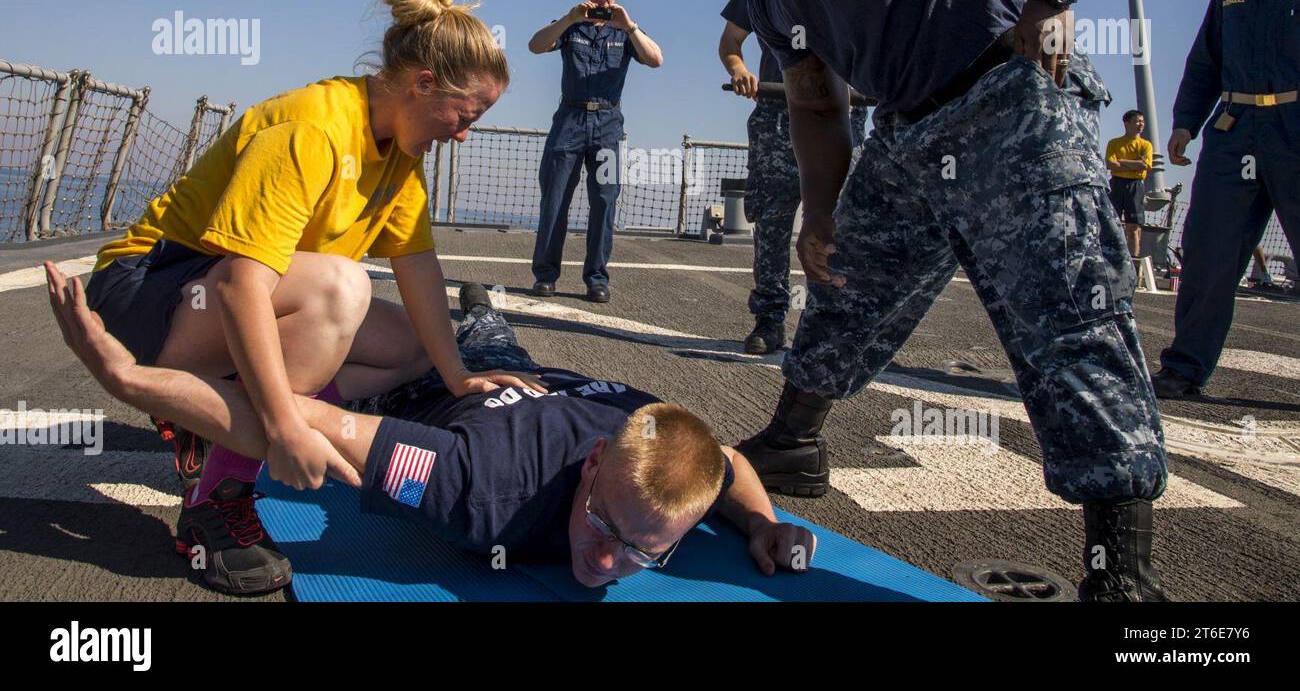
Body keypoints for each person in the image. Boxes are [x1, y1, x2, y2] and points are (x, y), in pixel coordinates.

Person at [623, 0, 1167, 601]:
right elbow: (813, 103)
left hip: (1006, 95)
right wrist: (824, 212)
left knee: (1066, 313)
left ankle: (1120, 571)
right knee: (846, 282)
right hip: (910, 132)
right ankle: (794, 442)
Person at [80, 0, 544, 595]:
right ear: (422, 83)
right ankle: (217, 496)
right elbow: (239, 287)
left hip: (214, 299)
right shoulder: (313, 129)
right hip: (150, 288)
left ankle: (208, 416)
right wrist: (279, 427)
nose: (462, 134)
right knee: (340, 291)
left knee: (410, 347)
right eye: (464, 116)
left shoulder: (401, 158)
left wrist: (457, 374)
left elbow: (419, 271)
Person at [47, 264, 818, 592]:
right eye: (605, 522)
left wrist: (760, 521)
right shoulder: (480, 490)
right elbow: (303, 424)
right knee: (405, 343)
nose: (607, 555)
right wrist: (130, 379)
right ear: (590, 465)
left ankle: (482, 310)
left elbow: (719, 463)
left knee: (493, 335)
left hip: (531, 374)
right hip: (431, 381)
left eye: (646, 551)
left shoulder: (649, 448)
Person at [1153, 0, 1300, 399]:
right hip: (1234, 130)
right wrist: (1186, 122)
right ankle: (1184, 369)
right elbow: (1204, 63)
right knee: (1208, 250)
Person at [718, 0, 866, 354]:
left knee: (840, 226)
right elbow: (730, 41)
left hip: (842, 114)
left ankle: (828, 324)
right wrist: (738, 69)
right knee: (772, 221)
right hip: (777, 113)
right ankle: (769, 319)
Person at [527, 0, 664, 303]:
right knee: (555, 199)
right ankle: (546, 275)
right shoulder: (570, 26)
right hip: (570, 120)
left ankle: (596, 278)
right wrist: (569, 19)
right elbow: (535, 45)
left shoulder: (626, 32)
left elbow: (656, 59)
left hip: (607, 124)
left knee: (604, 201)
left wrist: (628, 25)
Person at [1104, 110, 1153, 257]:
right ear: (1127, 123)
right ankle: (1112, 256)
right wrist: (1133, 164)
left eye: (1142, 122)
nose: (1141, 124)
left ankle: (1134, 260)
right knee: (1113, 223)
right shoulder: (1114, 143)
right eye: (1137, 121)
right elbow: (1110, 164)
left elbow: (1144, 165)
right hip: (1116, 184)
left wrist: (1122, 162)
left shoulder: (1145, 145)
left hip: (1135, 185)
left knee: (1133, 226)